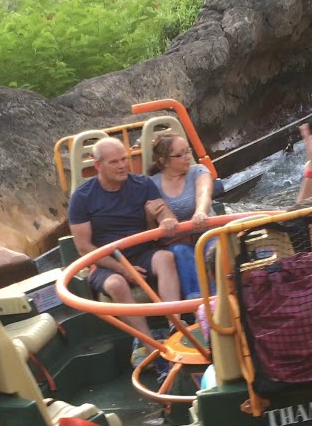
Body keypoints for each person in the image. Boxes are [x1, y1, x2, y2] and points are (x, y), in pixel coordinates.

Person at [68, 137, 180, 364]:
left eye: (124, 159)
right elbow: (83, 247)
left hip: (142, 253)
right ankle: (151, 346)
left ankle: (176, 329)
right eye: (114, 162)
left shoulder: (142, 184)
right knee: (116, 284)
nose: (122, 166)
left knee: (166, 258)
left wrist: (167, 219)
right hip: (106, 262)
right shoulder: (82, 197)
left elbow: (163, 211)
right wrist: (123, 269)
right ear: (98, 166)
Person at [148, 134, 214, 300]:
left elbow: (204, 193)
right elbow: (154, 220)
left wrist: (200, 212)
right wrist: (155, 218)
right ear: (164, 161)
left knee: (215, 249)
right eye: (180, 154)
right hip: (178, 242)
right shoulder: (151, 184)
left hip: (207, 233)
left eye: (188, 151)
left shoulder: (198, 171)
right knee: (180, 252)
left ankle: (219, 298)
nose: (187, 157)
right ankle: (197, 303)